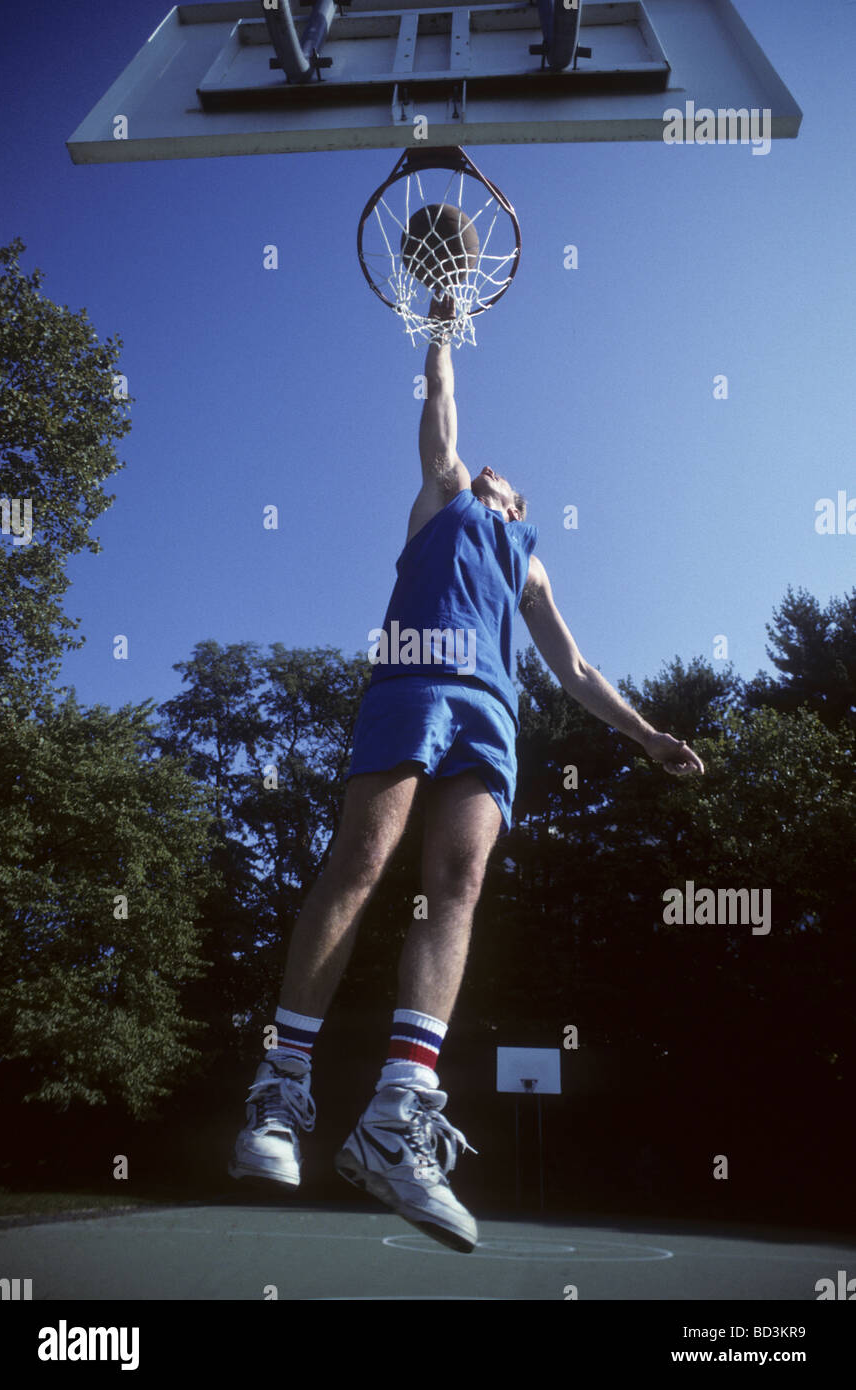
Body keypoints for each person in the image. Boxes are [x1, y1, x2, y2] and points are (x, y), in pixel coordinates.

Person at [229, 295, 704, 1253]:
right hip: (415, 672)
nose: (492, 468)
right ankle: (280, 1092)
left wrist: (649, 737)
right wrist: (442, 325)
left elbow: (574, 670)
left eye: (507, 478)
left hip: (491, 714)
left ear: (519, 506)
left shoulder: (529, 561)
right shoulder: (442, 493)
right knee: (362, 856)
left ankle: (397, 1115)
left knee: (461, 884)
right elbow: (441, 398)